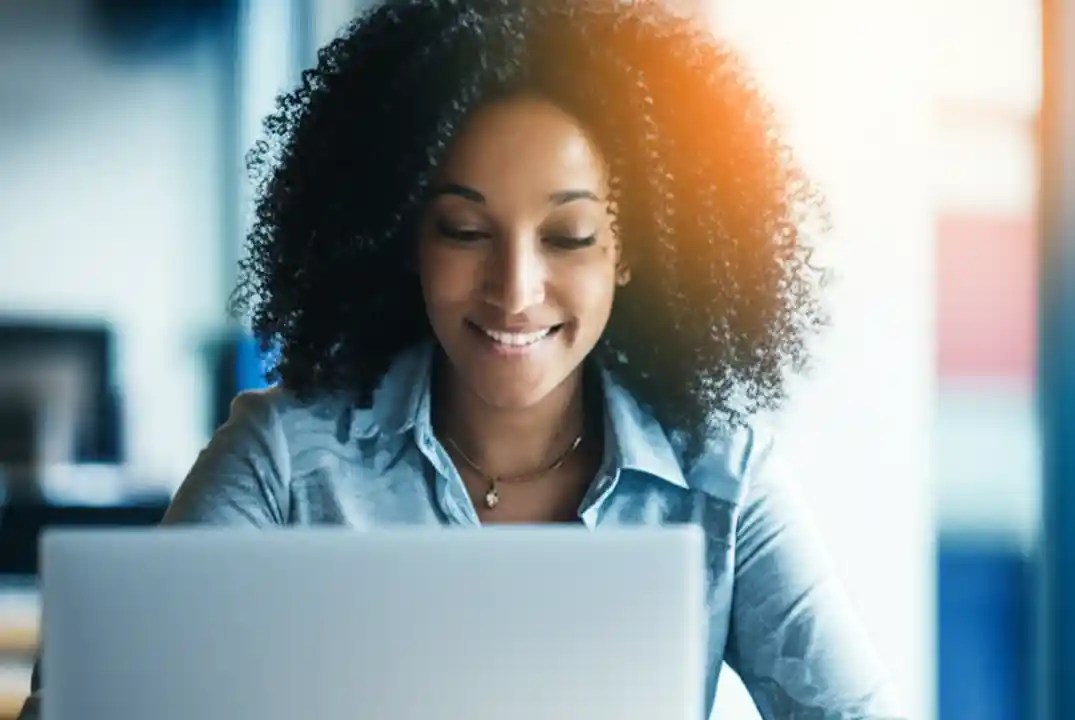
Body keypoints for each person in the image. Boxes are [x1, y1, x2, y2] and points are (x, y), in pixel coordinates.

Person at [21, 1, 904, 717]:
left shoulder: (722, 483)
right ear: (405, 236)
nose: (515, 290)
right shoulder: (287, 464)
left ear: (634, 252)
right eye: (466, 230)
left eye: (569, 235)